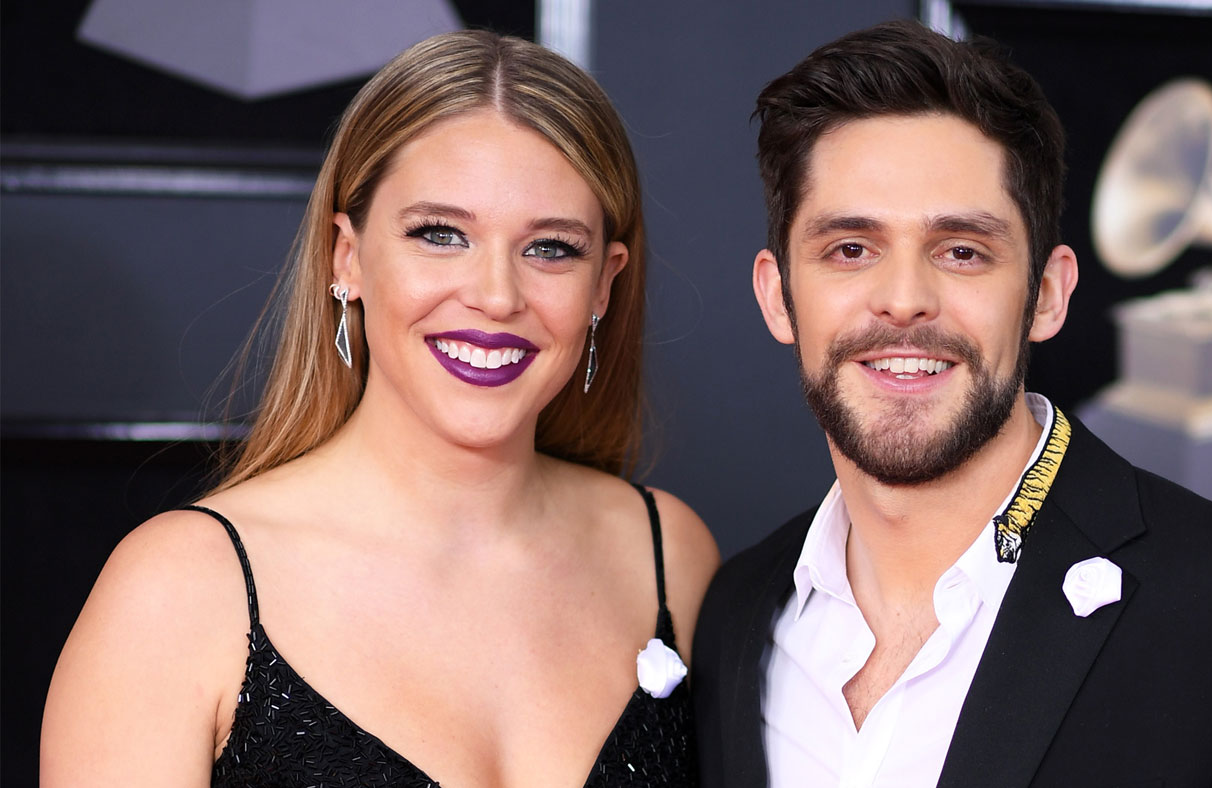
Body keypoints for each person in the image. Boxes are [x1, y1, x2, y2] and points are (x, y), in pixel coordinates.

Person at [692, 20, 1212, 788]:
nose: (903, 301)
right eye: (850, 250)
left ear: (1047, 294)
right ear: (777, 296)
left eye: (962, 251)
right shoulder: (733, 613)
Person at [42, 30, 718, 787]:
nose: (496, 295)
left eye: (551, 248)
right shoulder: (181, 589)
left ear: (604, 284)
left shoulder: (670, 556)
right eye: (440, 234)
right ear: (348, 257)